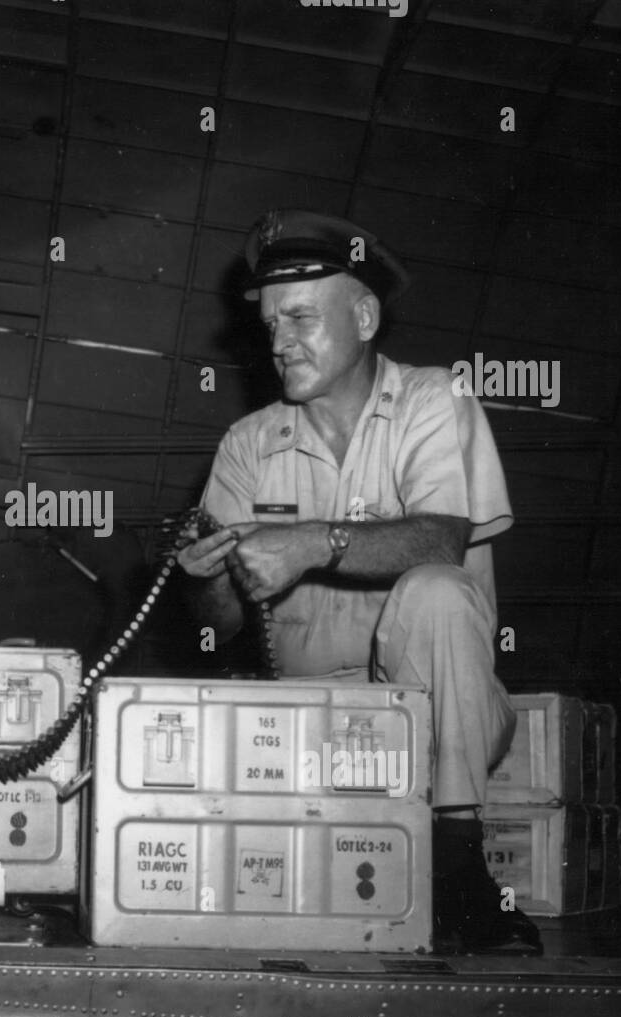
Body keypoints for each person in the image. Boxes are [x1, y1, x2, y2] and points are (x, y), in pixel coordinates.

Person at [180, 208, 541, 955]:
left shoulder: (437, 399)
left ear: (366, 315)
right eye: (272, 322)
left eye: (303, 318)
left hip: (440, 720)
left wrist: (312, 542)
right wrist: (208, 578)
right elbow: (220, 626)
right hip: (308, 736)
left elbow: (442, 536)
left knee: (438, 589)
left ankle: (460, 871)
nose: (279, 342)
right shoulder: (246, 446)